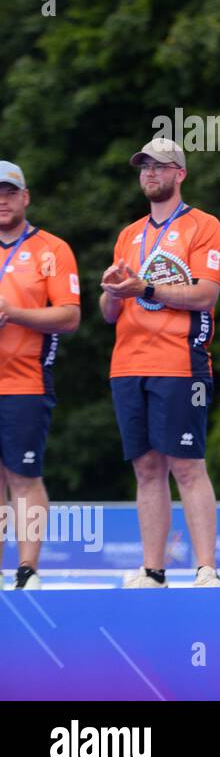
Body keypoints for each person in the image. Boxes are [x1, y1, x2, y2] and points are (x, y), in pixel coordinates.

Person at [100, 138, 220, 588]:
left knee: (187, 465)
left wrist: (146, 290)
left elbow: (206, 294)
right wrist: (113, 291)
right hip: (128, 363)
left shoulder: (205, 226)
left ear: (180, 174)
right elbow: (108, 312)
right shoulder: (128, 234)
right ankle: (153, 569)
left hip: (179, 361)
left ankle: (206, 568)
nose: (150, 173)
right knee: (145, 467)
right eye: (144, 167)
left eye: (161, 166)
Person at [0, 162, 80, 590]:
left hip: (25, 381)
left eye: (9, 192)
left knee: (24, 477)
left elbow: (69, 316)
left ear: (25, 197)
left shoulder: (51, 249)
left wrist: (13, 314)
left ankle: (27, 569)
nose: (2, 200)